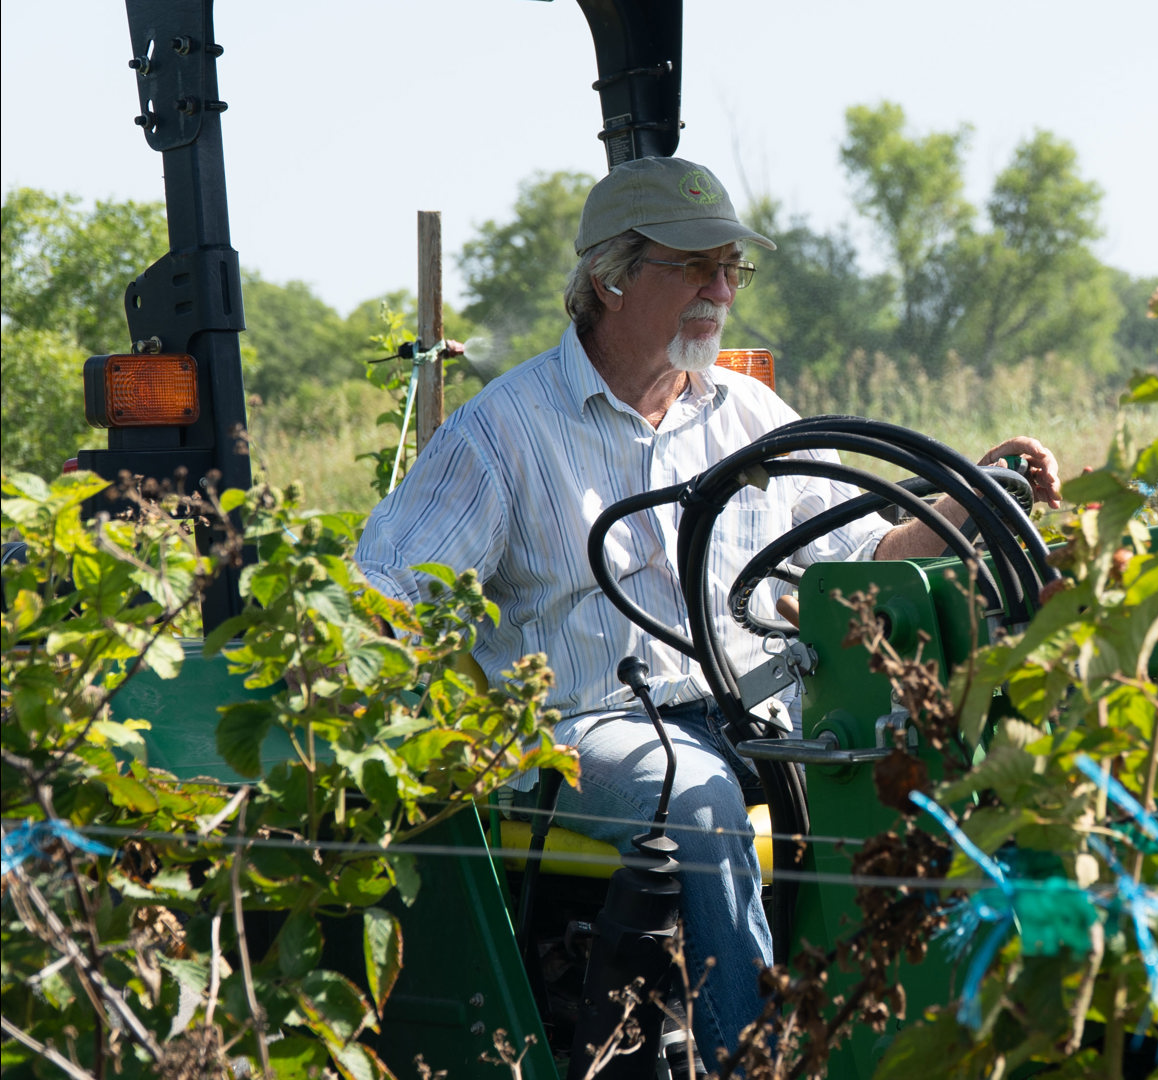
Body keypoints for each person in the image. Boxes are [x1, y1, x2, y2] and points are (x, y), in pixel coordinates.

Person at [353, 156, 1060, 1070]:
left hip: (751, 704)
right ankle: (754, 1057)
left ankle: (900, 1023)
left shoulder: (750, 412)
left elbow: (860, 556)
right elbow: (389, 586)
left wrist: (967, 491)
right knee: (698, 798)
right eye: (695, 266)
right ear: (611, 276)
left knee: (901, 759)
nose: (721, 291)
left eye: (731, 268)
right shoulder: (504, 430)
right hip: (587, 726)